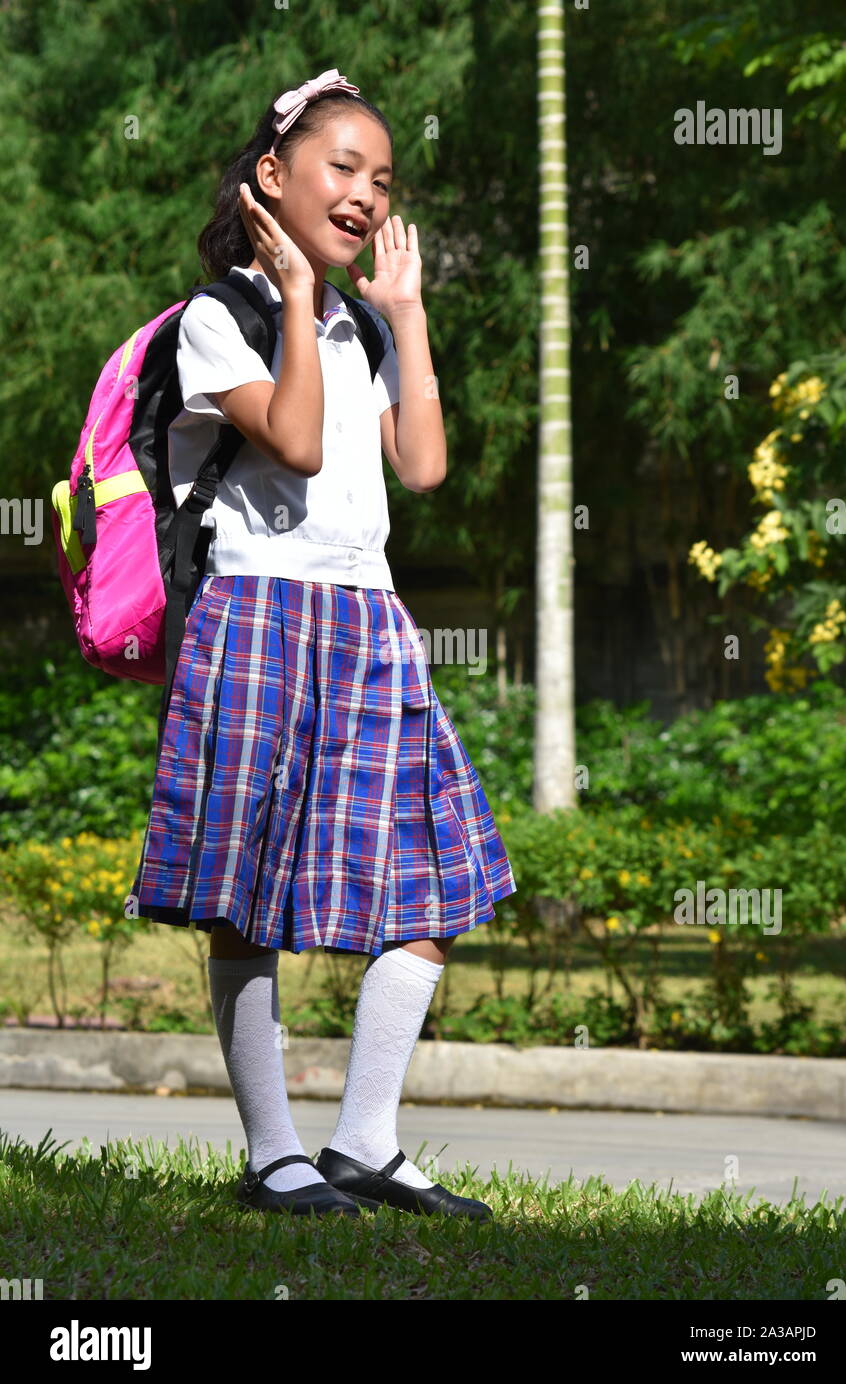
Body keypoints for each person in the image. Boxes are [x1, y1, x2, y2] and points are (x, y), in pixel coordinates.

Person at [128, 69, 517, 1218]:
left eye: (381, 178)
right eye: (342, 167)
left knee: (434, 882)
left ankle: (365, 1141)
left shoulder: (362, 325)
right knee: (246, 896)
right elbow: (291, 443)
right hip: (257, 614)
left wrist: (405, 314)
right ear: (272, 177)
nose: (364, 192)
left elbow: (425, 466)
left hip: (367, 616)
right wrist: (295, 293)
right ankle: (273, 1153)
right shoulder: (219, 320)